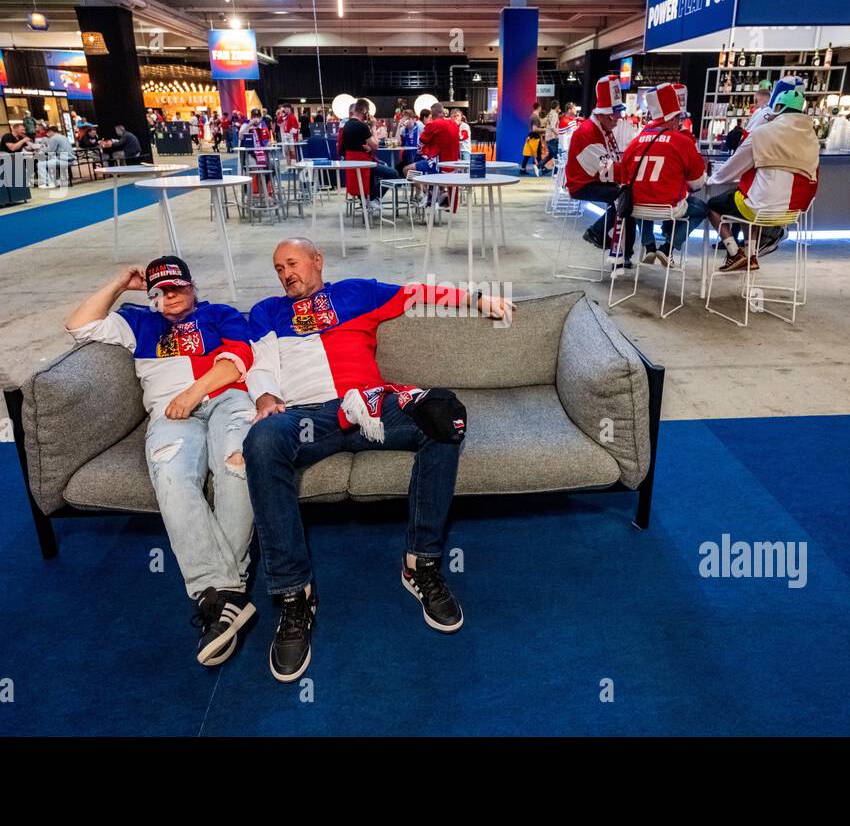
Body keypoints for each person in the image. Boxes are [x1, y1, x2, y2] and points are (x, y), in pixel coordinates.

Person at [242, 238, 515, 682]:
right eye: (278, 268)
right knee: (261, 440)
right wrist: (265, 397)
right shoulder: (268, 311)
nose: (286, 273)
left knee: (442, 417)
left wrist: (478, 298)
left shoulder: (357, 292)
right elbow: (259, 363)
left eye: (292, 263)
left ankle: (420, 563)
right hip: (308, 416)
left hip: (369, 408)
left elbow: (418, 292)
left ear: (317, 261)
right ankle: (294, 595)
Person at [66, 256, 274, 667]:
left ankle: (218, 601)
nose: (171, 295)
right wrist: (119, 283)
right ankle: (225, 594)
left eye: (178, 287)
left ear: (193, 286)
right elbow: (79, 325)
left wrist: (192, 394)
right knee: (172, 478)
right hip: (170, 415)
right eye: (160, 290)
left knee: (236, 465)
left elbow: (238, 359)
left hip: (225, 400)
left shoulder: (220, 313)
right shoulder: (137, 321)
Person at [703, 87, 819, 272]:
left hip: (760, 208)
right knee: (745, 201)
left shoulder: (762, 133)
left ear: (777, 107)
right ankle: (751, 256)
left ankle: (734, 253)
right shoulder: (812, 139)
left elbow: (734, 166)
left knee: (713, 206)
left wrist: (710, 179)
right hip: (792, 213)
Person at [618, 84, 708, 267]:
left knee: (642, 200)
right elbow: (697, 183)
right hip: (670, 208)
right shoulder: (683, 142)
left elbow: (623, 176)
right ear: (673, 118)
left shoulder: (635, 141)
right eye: (678, 119)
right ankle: (668, 248)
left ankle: (649, 245)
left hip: (636, 209)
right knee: (702, 209)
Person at [569, 76, 628, 259]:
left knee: (626, 195)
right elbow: (607, 170)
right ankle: (597, 233)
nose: (618, 119)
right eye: (614, 115)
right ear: (602, 114)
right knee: (625, 198)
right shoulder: (588, 133)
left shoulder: (601, 129)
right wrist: (633, 173)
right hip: (582, 185)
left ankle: (624, 251)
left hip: (593, 180)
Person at [339, 98, 398, 217]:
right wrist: (374, 127)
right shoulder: (362, 126)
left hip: (352, 163)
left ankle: (367, 199)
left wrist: (369, 147)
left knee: (378, 173)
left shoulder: (346, 125)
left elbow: (355, 145)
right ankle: (373, 198)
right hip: (364, 163)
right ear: (364, 111)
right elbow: (375, 145)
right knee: (393, 174)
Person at [520, 104, 546, 174]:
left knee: (529, 154)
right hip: (535, 137)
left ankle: (523, 169)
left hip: (531, 137)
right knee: (537, 154)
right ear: (539, 108)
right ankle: (543, 169)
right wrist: (545, 130)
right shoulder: (535, 117)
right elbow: (534, 129)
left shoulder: (533, 116)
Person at [544, 100, 561, 171]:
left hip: (548, 136)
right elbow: (553, 127)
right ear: (557, 106)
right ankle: (556, 171)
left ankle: (538, 166)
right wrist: (558, 134)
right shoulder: (554, 114)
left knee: (551, 155)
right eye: (558, 105)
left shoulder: (549, 113)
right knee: (556, 155)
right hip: (552, 137)